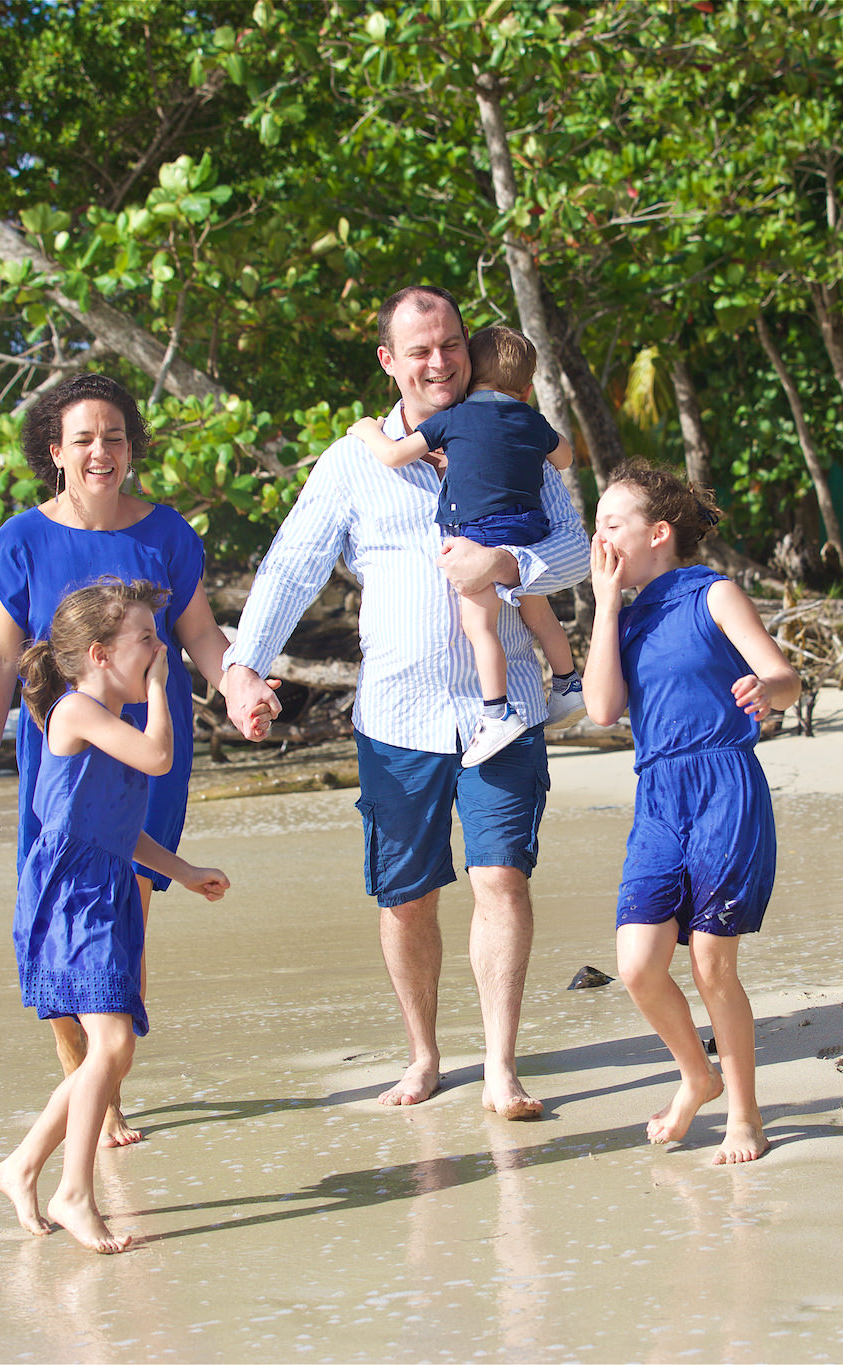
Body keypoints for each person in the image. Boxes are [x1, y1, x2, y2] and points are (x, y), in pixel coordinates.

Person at [221, 286, 590, 1117]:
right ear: (389, 361)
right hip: (396, 716)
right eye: (419, 350)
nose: (439, 362)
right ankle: (424, 1055)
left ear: (469, 347)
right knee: (406, 893)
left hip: (505, 711)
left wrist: (507, 569)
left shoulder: (511, 430)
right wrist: (244, 666)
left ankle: (500, 1064)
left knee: (502, 880)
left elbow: (575, 545)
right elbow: (292, 564)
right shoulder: (356, 458)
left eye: (451, 344)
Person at [0, 373, 230, 1148]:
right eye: (84, 438)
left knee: (127, 912)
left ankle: (106, 1075)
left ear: (130, 446)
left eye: (113, 436)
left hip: (153, 752)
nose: (101, 451)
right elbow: (0, 657)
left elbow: (202, 633)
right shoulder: (20, 541)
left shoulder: (167, 534)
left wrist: (237, 686)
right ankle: (89, 1083)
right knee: (68, 918)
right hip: (63, 753)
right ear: (56, 451)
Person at [0, 577, 229, 1252]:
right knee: (113, 1046)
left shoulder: (109, 723)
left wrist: (184, 870)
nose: (159, 649)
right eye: (147, 640)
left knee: (111, 1052)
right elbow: (160, 755)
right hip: (69, 898)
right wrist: (161, 686)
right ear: (99, 655)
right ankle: (73, 1192)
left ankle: (23, 1164)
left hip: (106, 889)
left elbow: (119, 828)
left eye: (158, 639)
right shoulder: (74, 713)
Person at [581, 465, 800, 1164]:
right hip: (658, 795)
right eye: (598, 523)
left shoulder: (713, 593)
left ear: (659, 533)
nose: (600, 535)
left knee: (711, 961)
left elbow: (787, 678)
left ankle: (745, 1115)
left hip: (723, 784)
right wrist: (606, 604)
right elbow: (601, 709)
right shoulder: (623, 614)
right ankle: (695, 1076)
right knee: (638, 964)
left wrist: (767, 689)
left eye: (613, 523)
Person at [348, 325, 585, 765]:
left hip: (481, 535)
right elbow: (566, 458)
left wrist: (366, 431)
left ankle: (496, 713)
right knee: (539, 614)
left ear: (471, 376)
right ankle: (569, 685)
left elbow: (394, 455)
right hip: (528, 532)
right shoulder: (531, 420)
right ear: (527, 389)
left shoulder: (455, 418)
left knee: (479, 628)